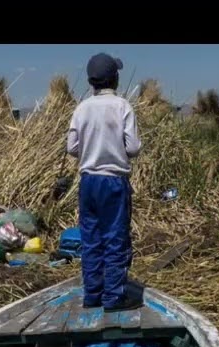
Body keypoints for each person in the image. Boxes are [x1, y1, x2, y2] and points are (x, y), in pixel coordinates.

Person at [66, 53, 143, 311]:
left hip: (88, 182)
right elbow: (132, 148)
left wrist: (91, 149)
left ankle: (92, 295)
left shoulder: (82, 108)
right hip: (113, 181)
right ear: (115, 78)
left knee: (91, 238)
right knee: (115, 238)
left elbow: (72, 147)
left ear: (92, 82)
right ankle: (113, 298)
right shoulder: (122, 106)